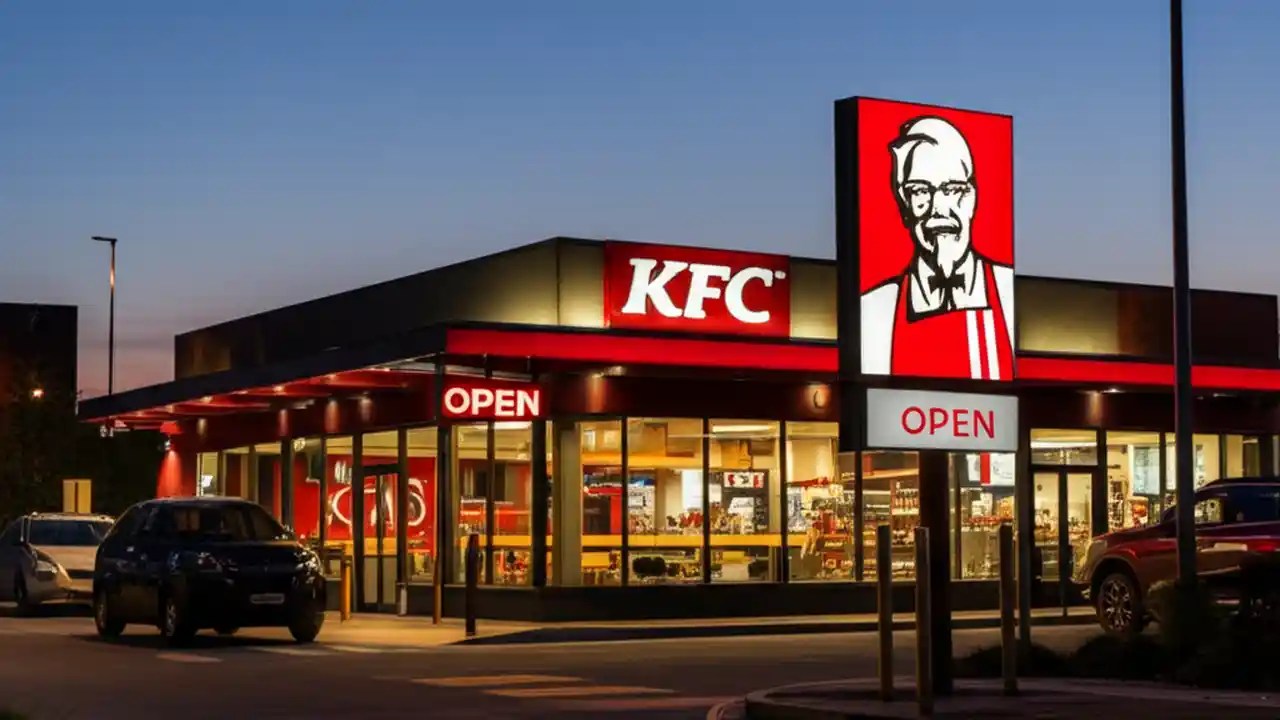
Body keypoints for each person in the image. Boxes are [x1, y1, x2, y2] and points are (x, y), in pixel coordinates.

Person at [861, 115, 1014, 380]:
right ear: (903, 205)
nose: (938, 209)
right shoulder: (876, 308)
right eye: (920, 191)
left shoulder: (1006, 289)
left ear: (972, 199)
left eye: (952, 189)